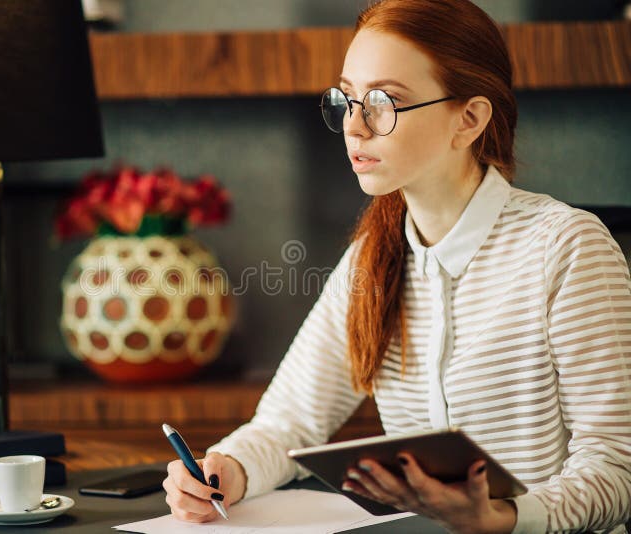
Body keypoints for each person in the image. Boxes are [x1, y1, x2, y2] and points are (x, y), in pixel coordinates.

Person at [162, 0, 631, 532]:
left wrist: (504, 518)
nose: (354, 128)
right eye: (349, 99)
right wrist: (226, 470)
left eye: (385, 101)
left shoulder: (566, 247)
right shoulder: (372, 255)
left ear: (470, 119)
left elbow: (617, 469)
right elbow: (286, 423)